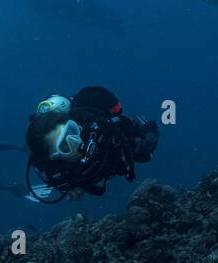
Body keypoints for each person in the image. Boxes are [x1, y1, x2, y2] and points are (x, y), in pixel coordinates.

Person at [24, 87, 159, 203]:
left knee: (144, 153)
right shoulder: (53, 171)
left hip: (111, 134)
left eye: (71, 131)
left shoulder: (95, 126)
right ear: (55, 157)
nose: (76, 143)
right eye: (65, 146)